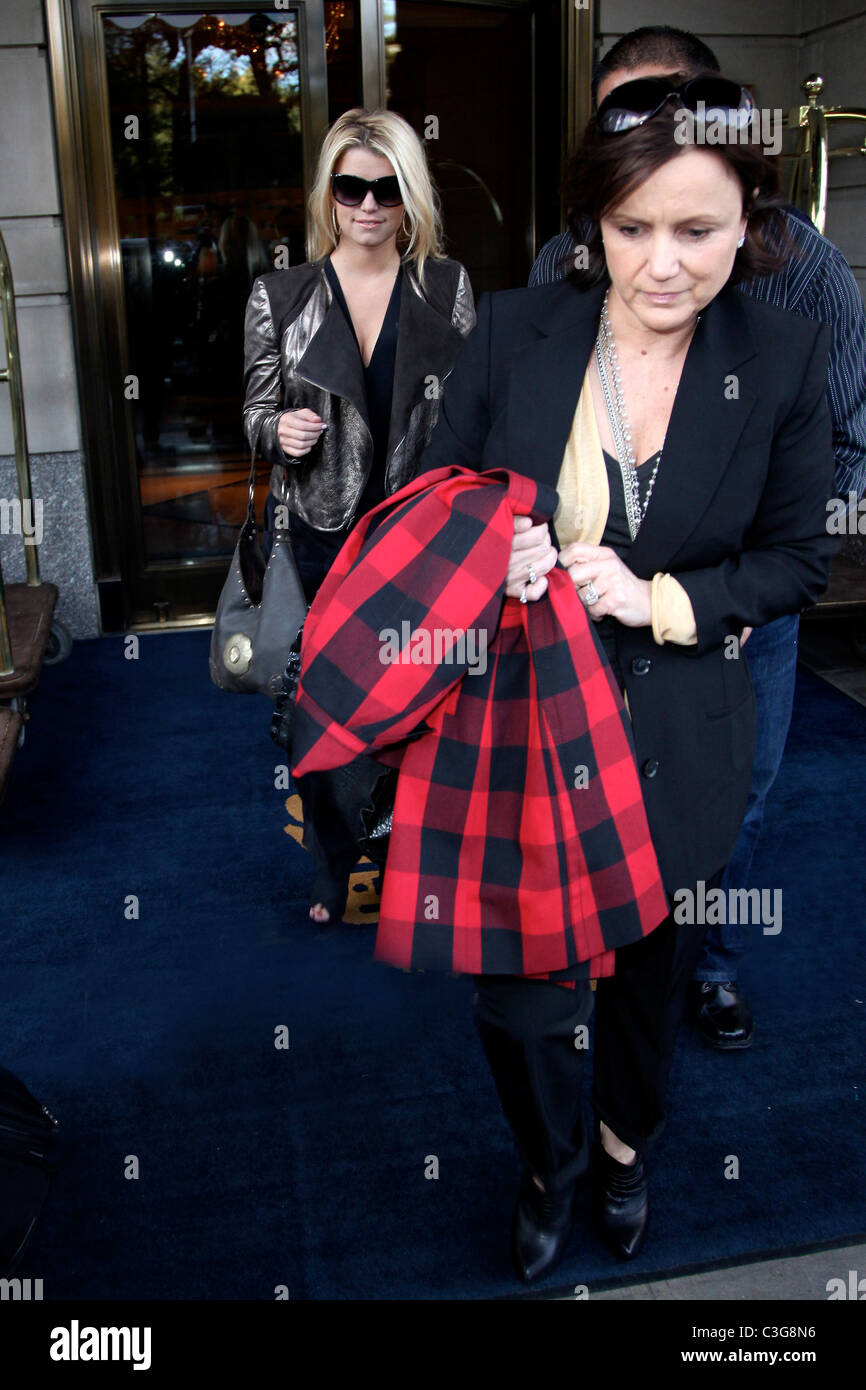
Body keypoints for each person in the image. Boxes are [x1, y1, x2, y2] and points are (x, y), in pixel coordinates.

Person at [405, 73, 837, 1281]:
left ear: (749, 219)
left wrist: (660, 600)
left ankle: (620, 1147)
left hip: (677, 733)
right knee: (524, 997)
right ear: (590, 224)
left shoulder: (784, 355)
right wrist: (488, 543)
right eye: (629, 227)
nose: (659, 263)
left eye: (695, 230)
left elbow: (797, 558)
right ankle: (548, 1162)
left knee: (646, 982)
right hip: (518, 731)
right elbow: (435, 509)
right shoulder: (512, 331)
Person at [530, 25, 866, 1050]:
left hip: (737, 612)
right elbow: (529, 430)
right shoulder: (563, 260)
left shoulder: (804, 274)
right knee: (591, 788)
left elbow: (848, 446)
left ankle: (708, 962)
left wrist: (751, 567)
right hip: (594, 600)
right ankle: (600, 962)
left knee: (734, 797)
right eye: (620, 121)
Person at [242, 108, 475, 924]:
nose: (368, 206)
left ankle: (413, 858)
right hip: (324, 530)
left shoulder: (445, 287)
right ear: (329, 195)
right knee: (328, 705)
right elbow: (254, 412)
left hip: (421, 533)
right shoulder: (283, 294)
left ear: (409, 195)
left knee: (423, 700)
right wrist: (282, 430)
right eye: (351, 187)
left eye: (386, 188)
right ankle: (335, 868)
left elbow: (474, 411)